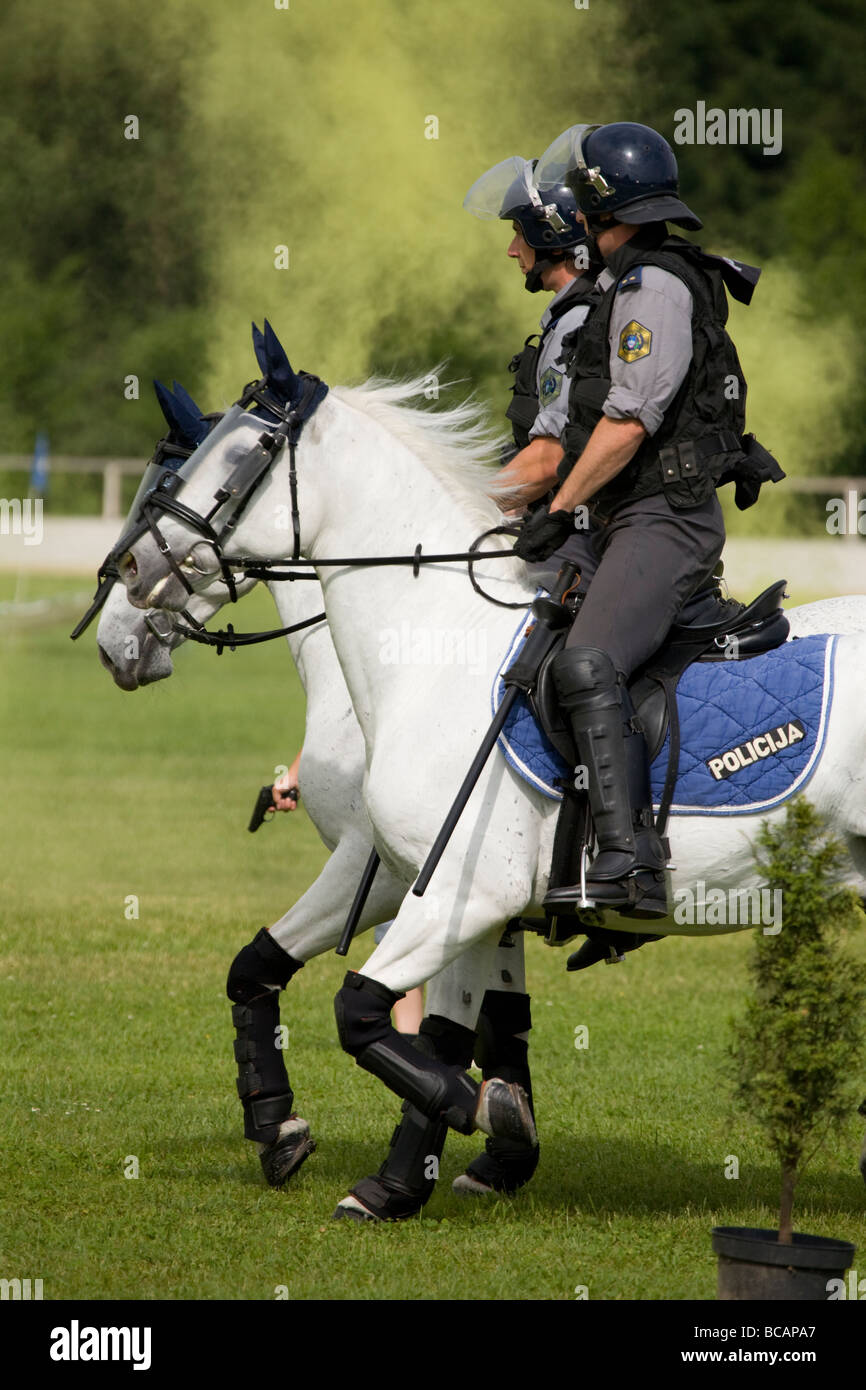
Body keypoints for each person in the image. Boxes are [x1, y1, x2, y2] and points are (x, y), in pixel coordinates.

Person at [514, 122, 782, 917]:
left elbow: (629, 422)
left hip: (666, 520)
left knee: (588, 662)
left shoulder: (653, 288)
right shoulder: (622, 284)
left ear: (604, 206)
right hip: (629, 517)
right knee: (530, 647)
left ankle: (633, 864)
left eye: (584, 201)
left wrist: (557, 509)